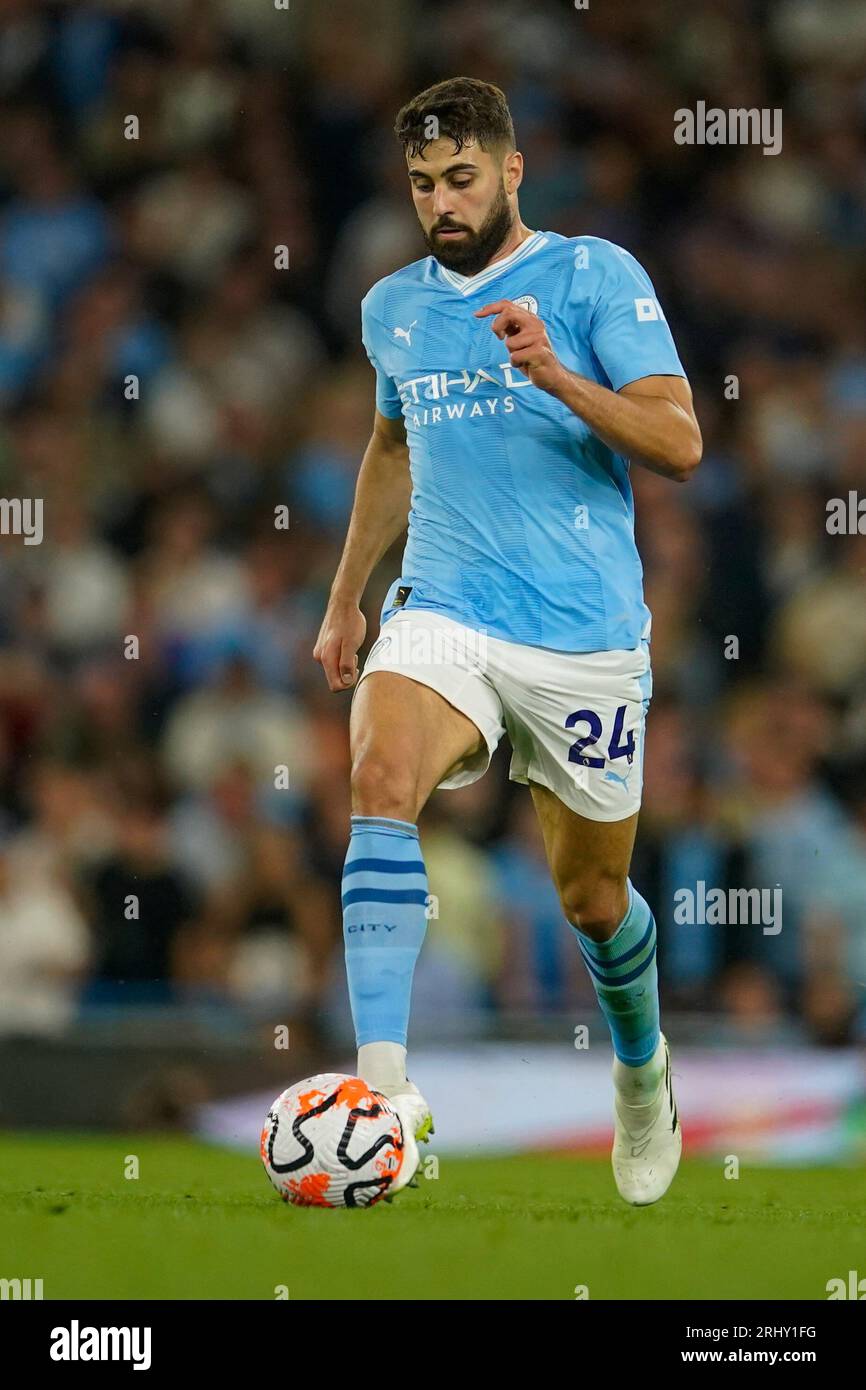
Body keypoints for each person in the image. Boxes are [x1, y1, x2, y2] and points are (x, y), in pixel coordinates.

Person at [313, 77, 701, 1204]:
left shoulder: (592, 275)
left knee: (591, 898)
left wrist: (553, 372)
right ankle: (378, 1097)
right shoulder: (392, 306)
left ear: (511, 170)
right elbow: (391, 447)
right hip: (442, 609)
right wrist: (348, 597)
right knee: (379, 775)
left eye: (461, 178)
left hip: (580, 639)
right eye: (423, 183)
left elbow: (678, 442)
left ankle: (640, 1069)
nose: (440, 200)